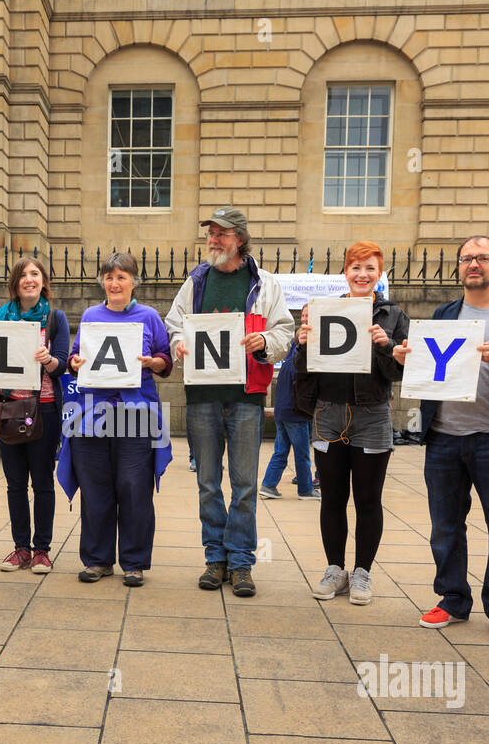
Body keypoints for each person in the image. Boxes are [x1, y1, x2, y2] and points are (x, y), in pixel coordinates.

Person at [395, 235, 489, 641]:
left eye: (482, 258)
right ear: (459, 267)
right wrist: (405, 359)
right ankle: (452, 599)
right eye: (466, 258)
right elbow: (427, 369)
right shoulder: (443, 314)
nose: (473, 264)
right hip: (444, 436)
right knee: (445, 525)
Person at [165, 205, 294, 597]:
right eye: (210, 233)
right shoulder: (195, 282)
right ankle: (214, 558)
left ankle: (240, 563)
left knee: (244, 485)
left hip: (246, 399)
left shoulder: (265, 284)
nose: (213, 240)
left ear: (240, 239)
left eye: (221, 234)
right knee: (207, 483)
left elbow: (284, 331)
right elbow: (174, 323)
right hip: (202, 398)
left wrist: (265, 343)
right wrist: (178, 344)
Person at [295, 241, 409, 605]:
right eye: (356, 267)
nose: (362, 274)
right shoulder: (323, 309)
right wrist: (302, 344)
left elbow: (398, 373)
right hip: (328, 413)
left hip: (372, 413)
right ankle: (334, 568)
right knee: (332, 496)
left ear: (380, 274)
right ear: (345, 272)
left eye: (370, 268)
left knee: (368, 499)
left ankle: (362, 572)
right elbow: (303, 369)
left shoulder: (392, 315)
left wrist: (385, 344)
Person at [56, 252, 173, 587]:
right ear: (103, 282)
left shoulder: (149, 316)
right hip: (93, 415)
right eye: (109, 277)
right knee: (95, 488)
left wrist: (153, 363)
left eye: (121, 277)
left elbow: (166, 362)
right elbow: (75, 357)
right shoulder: (92, 314)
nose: (115, 283)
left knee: (134, 487)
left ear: (134, 282)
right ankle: (97, 560)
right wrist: (75, 362)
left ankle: (134, 562)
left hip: (136, 416)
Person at [0, 257, 69, 574]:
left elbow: (63, 365)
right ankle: (20, 548)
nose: (29, 279)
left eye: (35, 274)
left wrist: (48, 360)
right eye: (23, 275)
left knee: (43, 482)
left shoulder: (56, 319)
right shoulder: (0, 318)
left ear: (43, 281)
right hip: (8, 408)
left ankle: (42, 550)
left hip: (44, 410)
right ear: (15, 283)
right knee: (15, 483)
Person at [258, 340, 318, 503]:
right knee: (302, 454)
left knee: (281, 451)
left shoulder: (287, 362)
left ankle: (268, 485)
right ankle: (305, 490)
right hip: (296, 415)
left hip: (282, 413)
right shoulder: (300, 364)